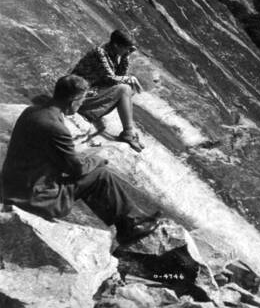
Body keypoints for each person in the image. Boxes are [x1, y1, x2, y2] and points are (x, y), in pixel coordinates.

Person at [0, 75, 160, 245]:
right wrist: (97, 160)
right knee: (100, 175)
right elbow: (76, 170)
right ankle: (130, 226)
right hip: (34, 197)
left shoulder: (32, 111)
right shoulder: (56, 127)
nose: (82, 103)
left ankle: (130, 220)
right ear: (74, 100)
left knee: (88, 165)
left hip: (11, 187)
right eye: (82, 99)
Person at [71, 28, 144, 151]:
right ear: (116, 45)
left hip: (89, 94)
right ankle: (128, 132)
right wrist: (129, 78)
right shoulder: (100, 53)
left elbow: (117, 77)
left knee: (126, 88)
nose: (128, 50)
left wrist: (125, 57)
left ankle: (127, 131)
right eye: (126, 48)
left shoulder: (114, 54)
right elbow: (113, 79)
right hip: (77, 98)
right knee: (125, 88)